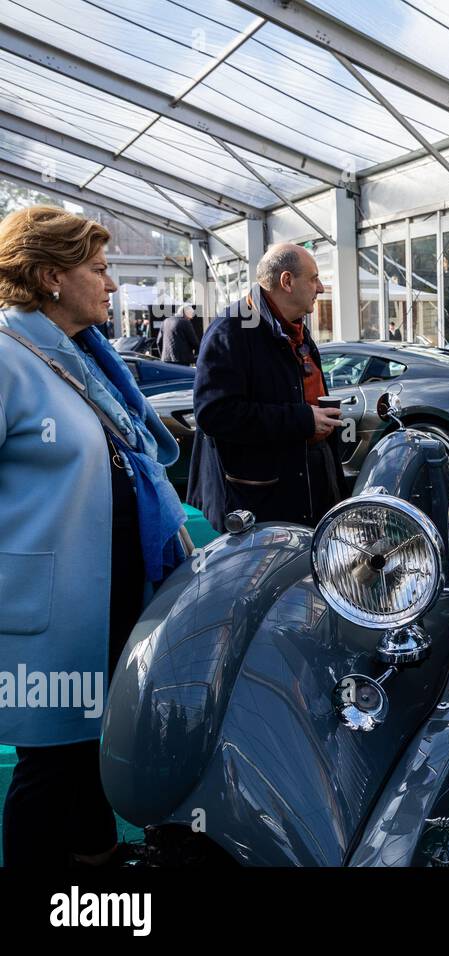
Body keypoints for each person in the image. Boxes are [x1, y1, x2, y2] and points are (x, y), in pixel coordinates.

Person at [0, 205, 188, 867]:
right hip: (45, 618)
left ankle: (92, 874)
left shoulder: (80, 360)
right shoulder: (7, 357)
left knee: (88, 763)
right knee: (52, 769)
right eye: (100, 269)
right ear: (51, 276)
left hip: (101, 605)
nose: (112, 285)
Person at [188, 243, 345, 531]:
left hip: (303, 489)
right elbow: (214, 413)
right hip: (258, 508)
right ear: (287, 281)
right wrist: (302, 419)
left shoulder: (293, 328)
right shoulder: (232, 329)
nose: (320, 287)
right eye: (314, 278)